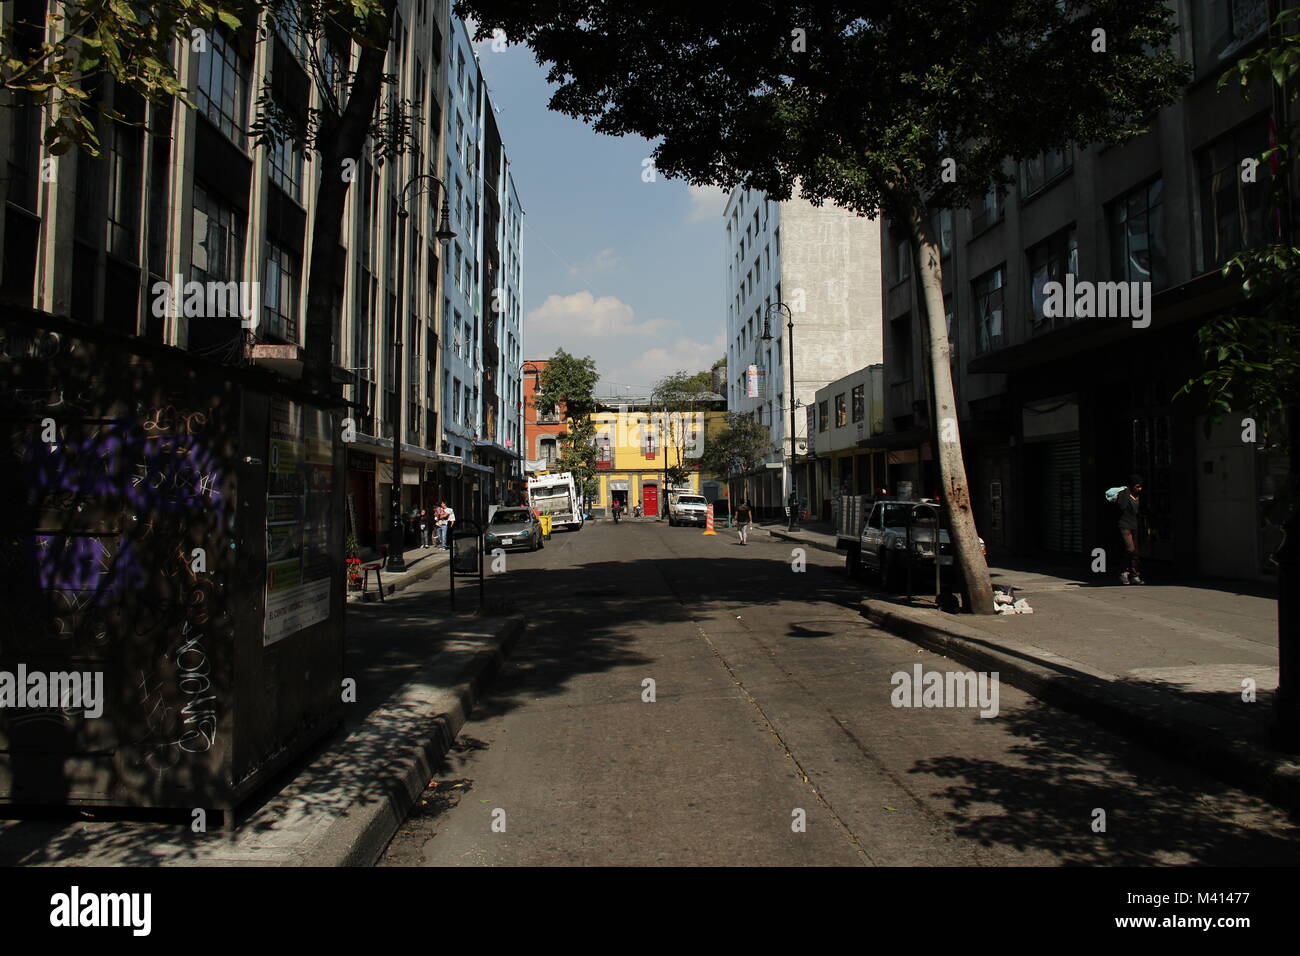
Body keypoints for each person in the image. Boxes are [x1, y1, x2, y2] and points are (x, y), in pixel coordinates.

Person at [1116, 475, 1144, 585]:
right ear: (1132, 486)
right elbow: (1121, 506)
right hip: (1124, 525)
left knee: (1136, 552)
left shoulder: (1139, 496)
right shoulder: (1125, 494)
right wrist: (1126, 492)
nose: (1140, 489)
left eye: (1141, 486)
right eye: (1137, 486)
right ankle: (1123, 571)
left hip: (1134, 526)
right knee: (1130, 549)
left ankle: (1134, 574)